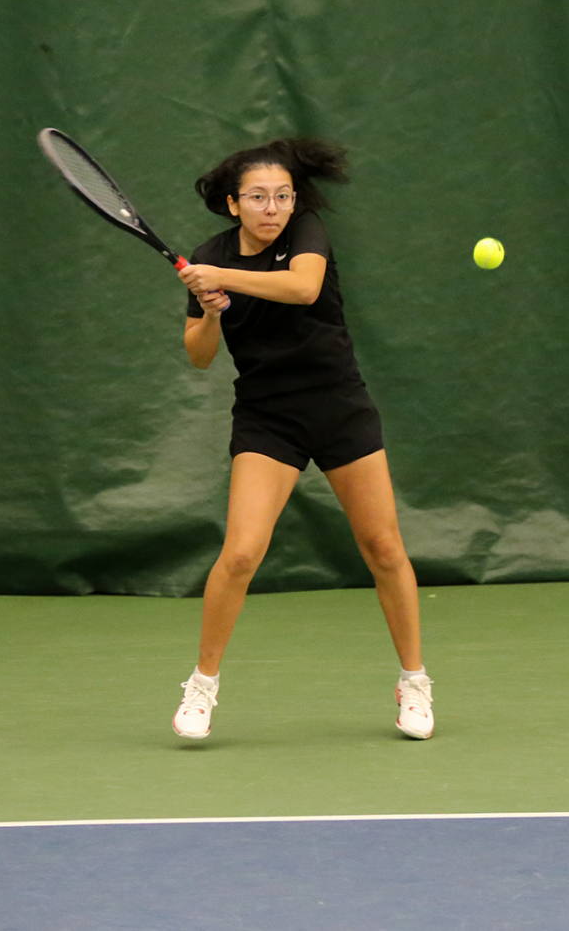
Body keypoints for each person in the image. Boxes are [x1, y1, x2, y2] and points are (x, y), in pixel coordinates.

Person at [171, 137, 434, 741]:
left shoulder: (306, 233)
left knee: (385, 548)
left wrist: (223, 279)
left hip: (339, 406)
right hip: (268, 418)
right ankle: (202, 687)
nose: (273, 208)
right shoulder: (207, 256)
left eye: (282, 196)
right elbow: (199, 357)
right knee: (240, 553)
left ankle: (414, 682)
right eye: (259, 197)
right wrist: (209, 309)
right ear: (234, 205)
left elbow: (302, 289)